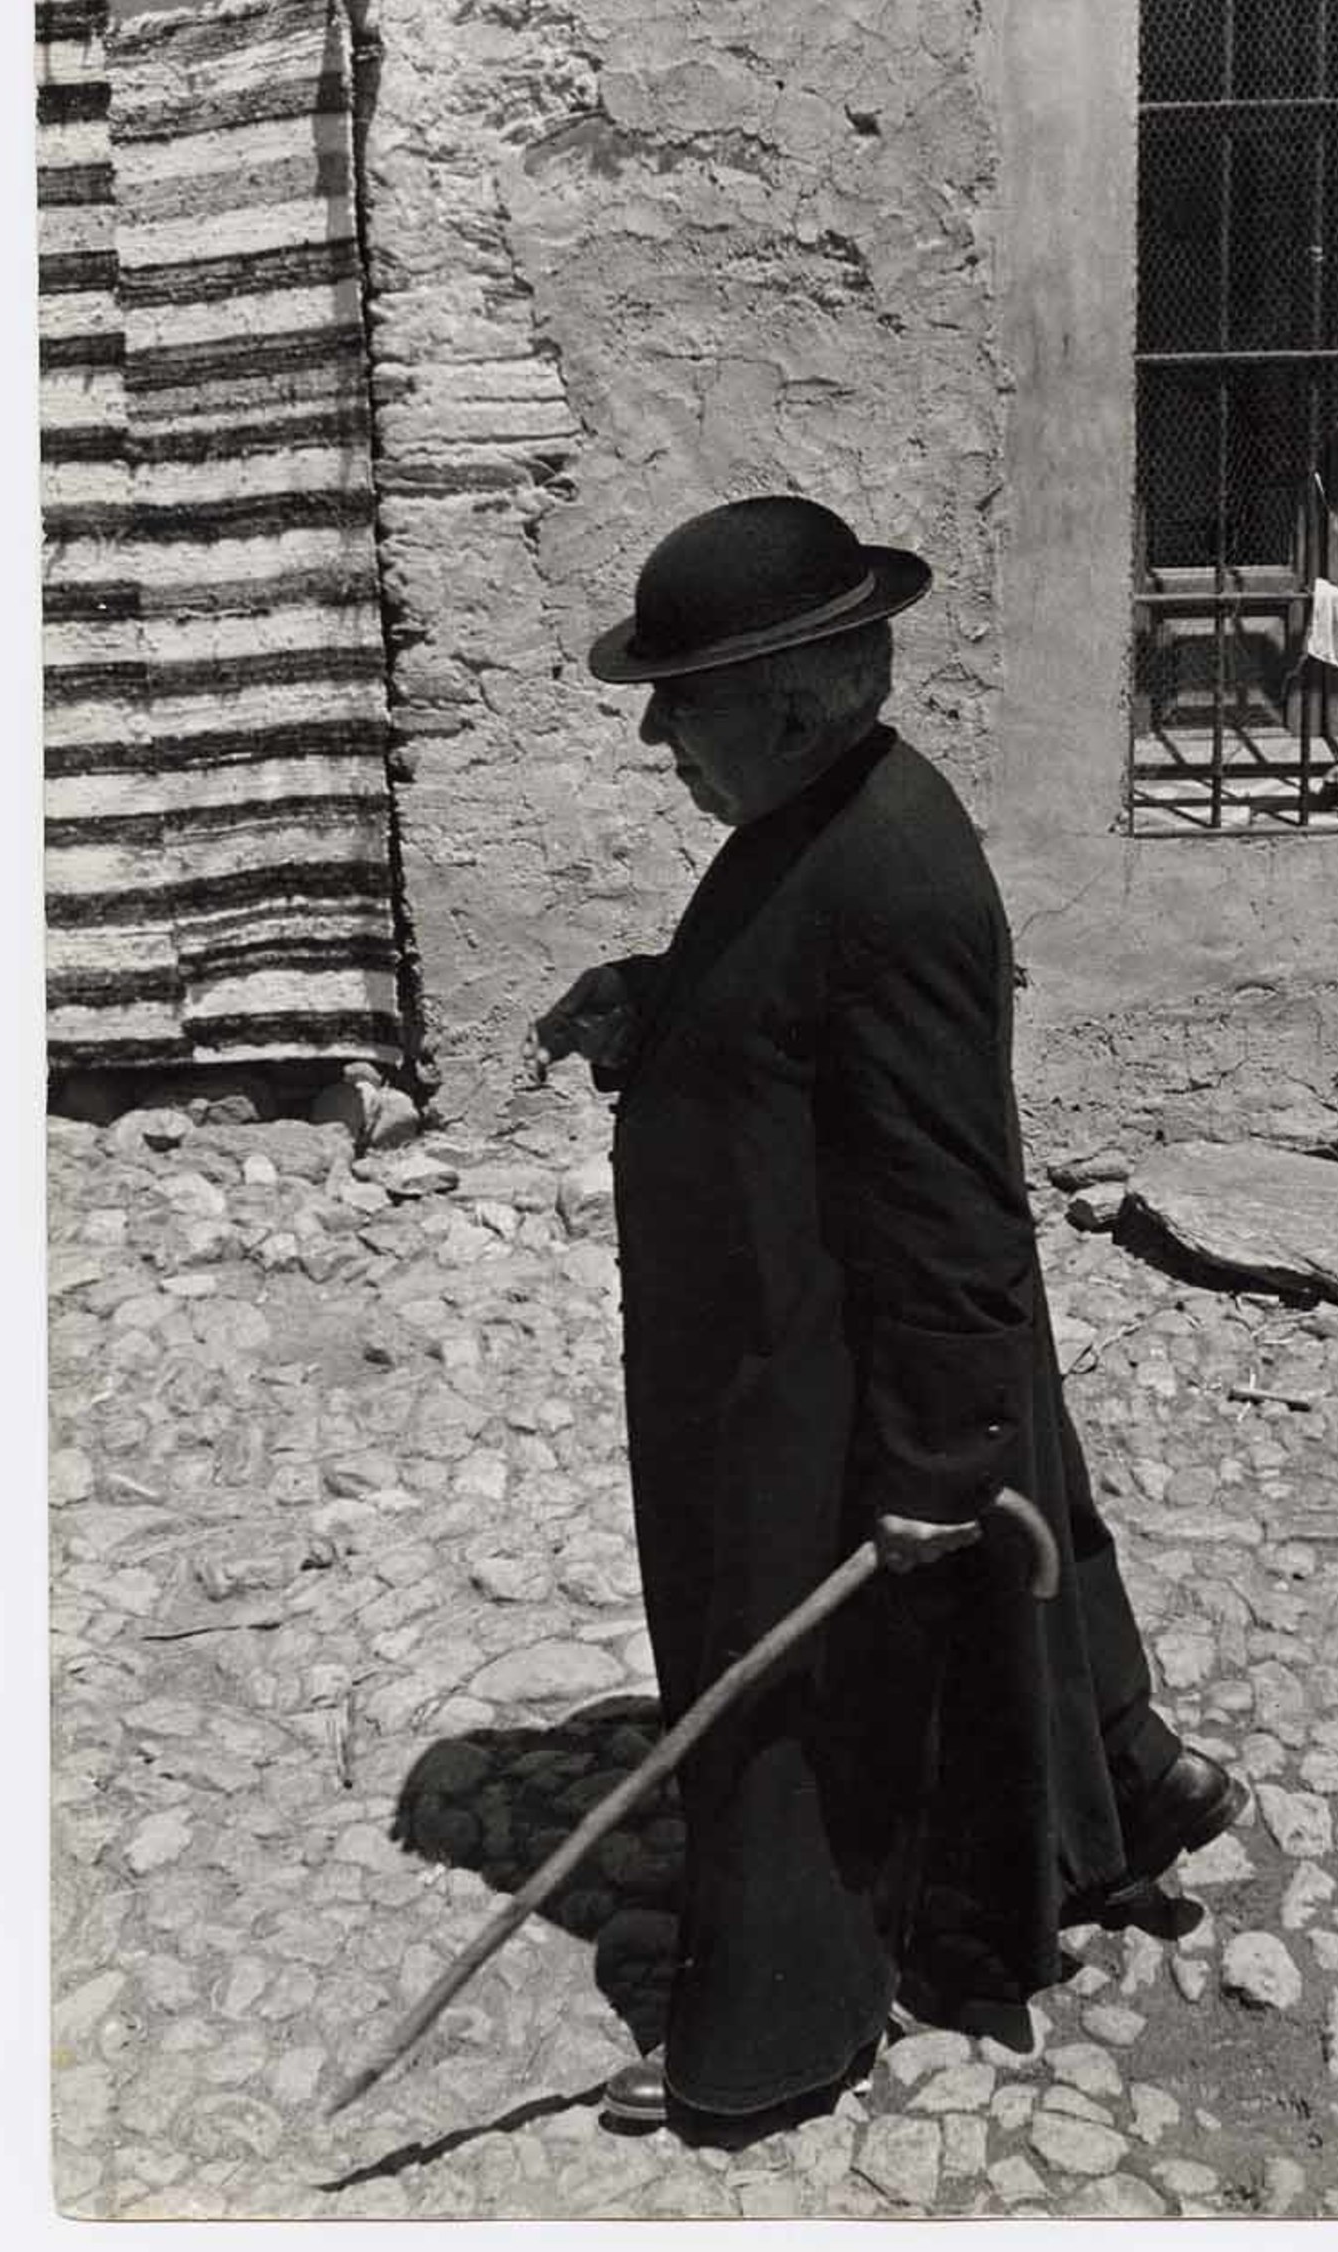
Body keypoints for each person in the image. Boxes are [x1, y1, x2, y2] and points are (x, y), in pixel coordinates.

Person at [525, 495, 1244, 2133]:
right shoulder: (815, 820)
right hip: (803, 1332)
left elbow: (947, 1204)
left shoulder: (897, 874)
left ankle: (772, 2039)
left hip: (822, 1374)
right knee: (995, 1616)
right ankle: (1121, 1802)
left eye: (678, 697)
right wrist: (653, 1006)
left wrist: (933, 1470)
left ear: (791, 700)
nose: (654, 733)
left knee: (788, 1696)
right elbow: (795, 1034)